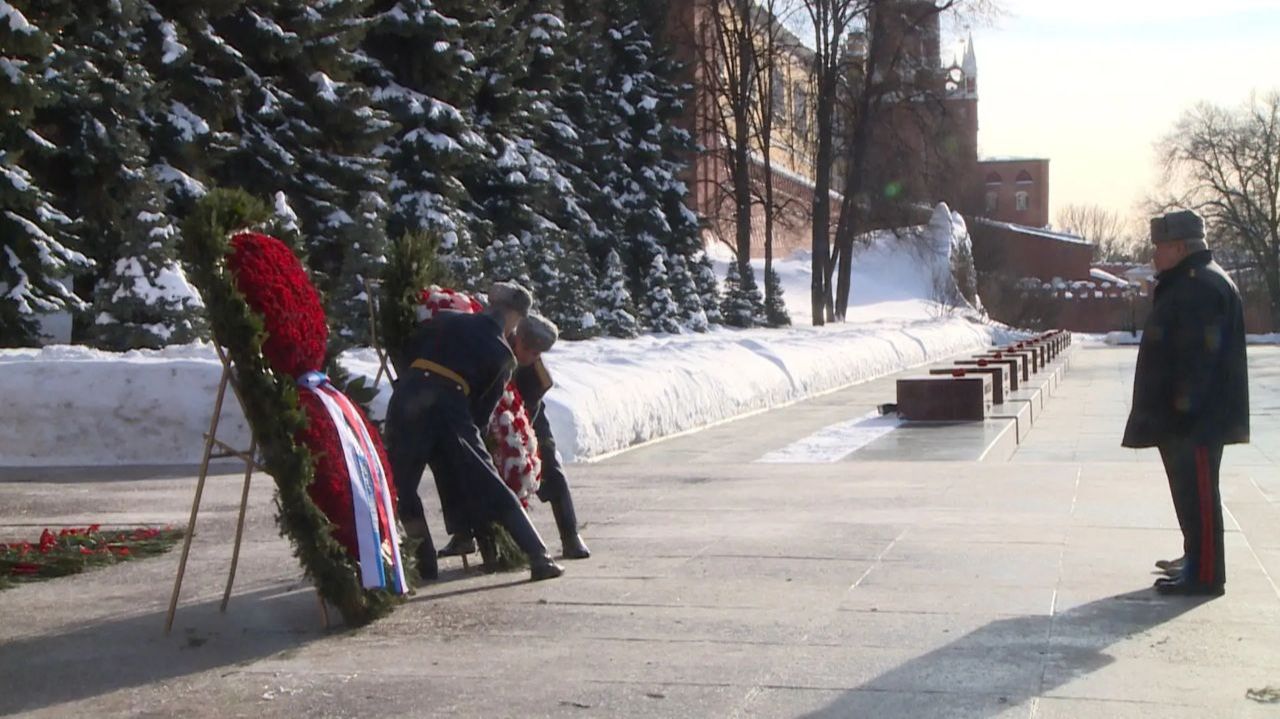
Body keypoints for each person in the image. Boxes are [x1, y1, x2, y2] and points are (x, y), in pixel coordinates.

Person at [385, 281, 565, 582]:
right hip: (449, 407)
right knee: (491, 485)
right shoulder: (502, 353)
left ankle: (423, 564)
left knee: (401, 485)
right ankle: (539, 556)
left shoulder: (445, 320)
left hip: (407, 400)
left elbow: (409, 352)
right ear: (514, 318)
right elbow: (480, 414)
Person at [1122, 209, 1249, 596]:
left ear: (1179, 247)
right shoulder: (1191, 280)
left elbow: (1199, 356)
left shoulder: (1199, 286)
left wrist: (1183, 410)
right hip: (1187, 417)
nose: (1154, 256)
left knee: (1200, 495)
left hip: (1196, 420)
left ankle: (1206, 573)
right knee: (1190, 493)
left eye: (1159, 247)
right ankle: (1196, 555)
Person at [438, 314, 591, 560]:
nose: (529, 355)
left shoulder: (538, 377)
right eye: (526, 348)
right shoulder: (496, 346)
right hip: (486, 412)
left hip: (525, 417)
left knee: (549, 461)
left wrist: (516, 443)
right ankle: (463, 534)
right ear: (516, 337)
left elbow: (528, 413)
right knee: (461, 467)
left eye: (535, 353)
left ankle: (570, 535)